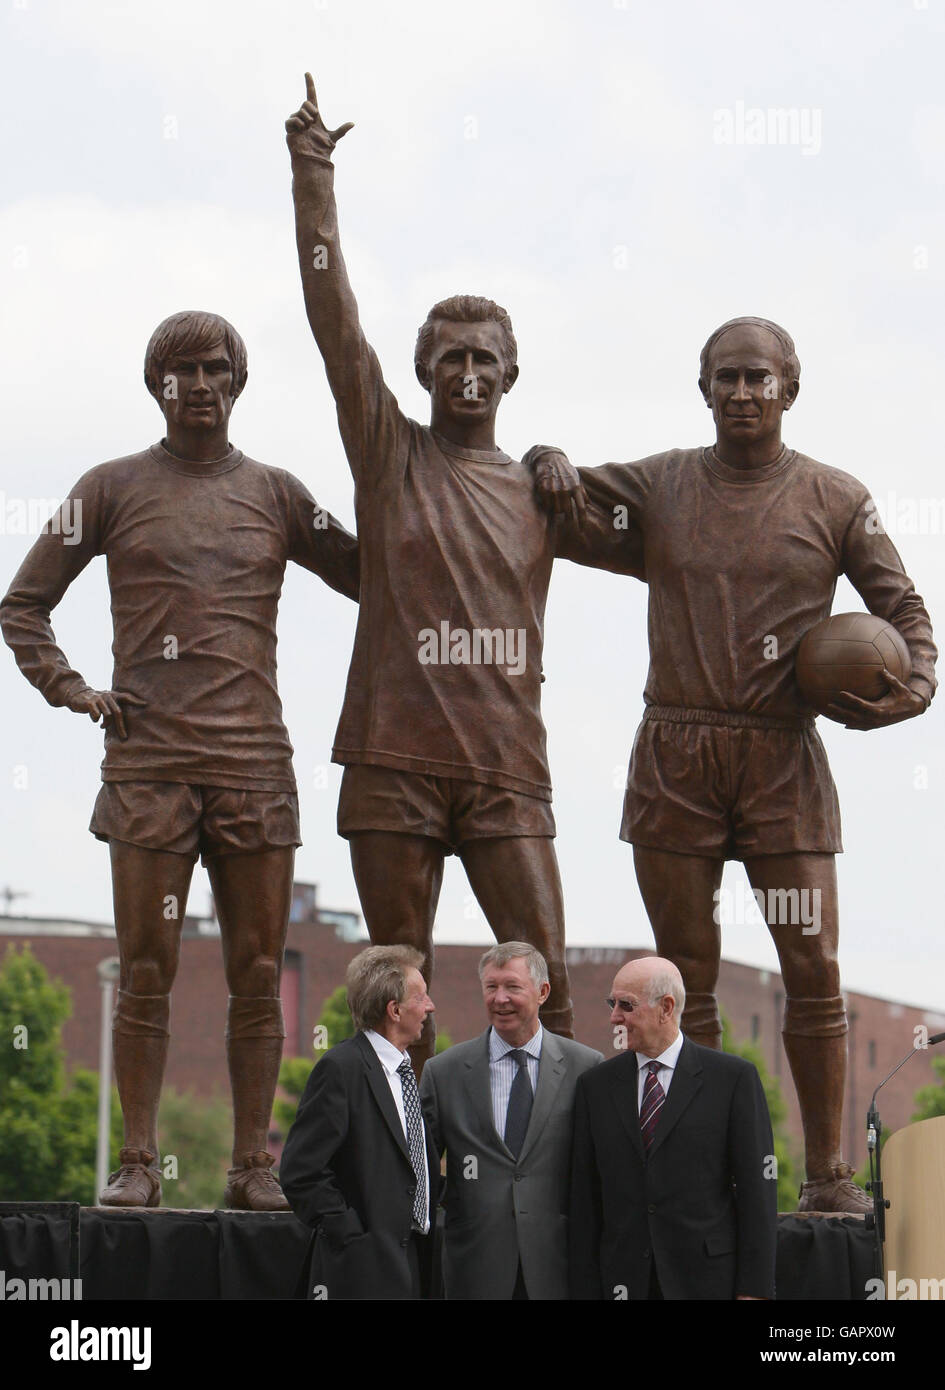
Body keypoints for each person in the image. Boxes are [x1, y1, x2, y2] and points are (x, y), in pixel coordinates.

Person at [532, 317, 937, 1212]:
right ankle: (699, 1177)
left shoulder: (835, 498)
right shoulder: (664, 484)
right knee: (682, 976)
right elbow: (555, 506)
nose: (743, 393)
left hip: (780, 757)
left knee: (813, 970)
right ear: (703, 387)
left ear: (789, 387)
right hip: (676, 752)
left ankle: (828, 1177)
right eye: (726, 378)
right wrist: (548, 456)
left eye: (759, 378)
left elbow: (907, 617)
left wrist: (903, 697)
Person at [283, 74, 625, 1070]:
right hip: (393, 756)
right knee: (397, 985)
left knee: (545, 970)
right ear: (424, 371)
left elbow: (670, 538)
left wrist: (569, 470)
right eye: (448, 358)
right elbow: (331, 314)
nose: (466, 372)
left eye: (485, 358)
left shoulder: (542, 490)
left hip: (506, 765)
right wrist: (313, 178)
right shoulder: (391, 455)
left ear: (510, 375)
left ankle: (560, 1172)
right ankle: (407, 1166)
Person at [0, 310, 359, 1208]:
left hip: (253, 766)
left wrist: (417, 492)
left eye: (215, 369)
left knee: (257, 973)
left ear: (238, 383)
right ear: (156, 384)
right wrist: (72, 688)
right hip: (149, 765)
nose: (199, 384)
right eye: (182, 370)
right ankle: (136, 1162)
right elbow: (22, 606)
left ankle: (250, 1167)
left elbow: (373, 573)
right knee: (146, 968)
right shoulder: (113, 486)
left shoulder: (277, 493)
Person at [569, 955, 777, 1300]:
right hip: (623, 1283)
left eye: (626, 1005)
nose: (614, 1017)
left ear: (666, 1007)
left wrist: (754, 1291)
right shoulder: (595, 1086)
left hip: (707, 1282)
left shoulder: (732, 1080)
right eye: (612, 1003)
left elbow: (758, 1196)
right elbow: (584, 1203)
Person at [419, 941, 601, 1300]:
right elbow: (419, 1166)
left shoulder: (587, 1068)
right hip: (475, 1266)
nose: (500, 999)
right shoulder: (444, 1072)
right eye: (491, 987)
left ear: (543, 992)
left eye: (512, 987)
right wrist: (460, 1201)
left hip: (559, 1266)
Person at [280, 945, 440, 1300]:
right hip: (360, 1272)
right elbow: (300, 1172)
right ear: (394, 1010)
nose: (430, 1007)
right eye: (422, 997)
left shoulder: (406, 1073)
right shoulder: (342, 1068)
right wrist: (352, 1236)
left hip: (413, 1263)